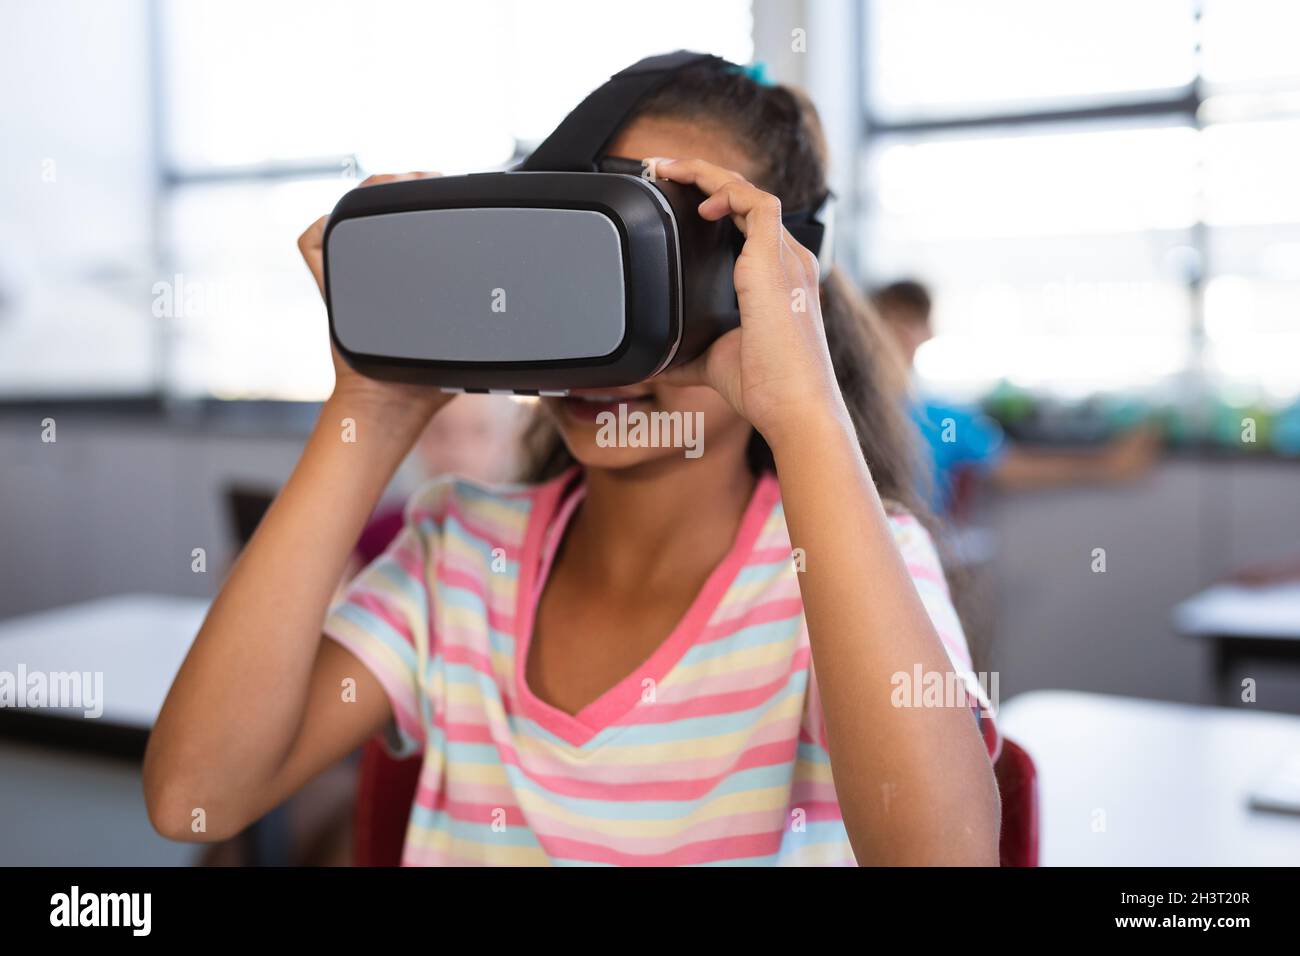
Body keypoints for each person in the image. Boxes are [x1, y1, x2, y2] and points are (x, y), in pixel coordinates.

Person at [144, 61, 1000, 866]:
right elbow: (195, 797)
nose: (610, 351)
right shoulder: (459, 559)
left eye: (661, 266)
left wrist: (805, 408)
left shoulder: (848, 576)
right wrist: (373, 406)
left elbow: (945, 854)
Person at [874, 279, 1159, 518]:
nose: (900, 335)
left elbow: (1013, 467)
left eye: (910, 324)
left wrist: (1107, 465)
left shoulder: (943, 419)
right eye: (893, 322)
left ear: (926, 333)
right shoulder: (846, 410)